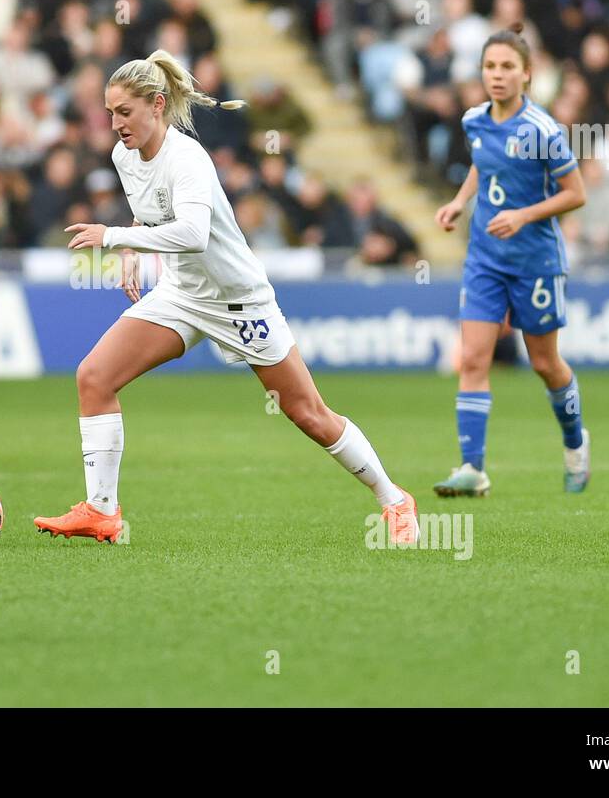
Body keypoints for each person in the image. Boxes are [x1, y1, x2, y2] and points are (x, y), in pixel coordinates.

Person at [33, 51, 419, 544]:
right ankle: (101, 511)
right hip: (180, 294)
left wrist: (113, 238)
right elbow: (151, 214)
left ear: (156, 105)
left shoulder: (189, 159)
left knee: (307, 413)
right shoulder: (123, 157)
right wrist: (131, 244)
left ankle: (394, 499)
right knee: (94, 376)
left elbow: (193, 233)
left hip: (239, 302)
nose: (115, 124)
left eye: (124, 112)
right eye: (110, 113)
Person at [433, 25, 590, 496]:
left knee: (544, 363)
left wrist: (523, 215)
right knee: (474, 359)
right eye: (490, 67)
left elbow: (575, 194)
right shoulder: (474, 120)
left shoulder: (542, 130)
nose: (497, 76)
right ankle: (472, 468)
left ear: (527, 74)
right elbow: (485, 163)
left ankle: (575, 442)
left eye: (507, 67)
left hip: (535, 260)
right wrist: (461, 201)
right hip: (484, 257)